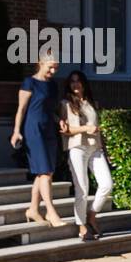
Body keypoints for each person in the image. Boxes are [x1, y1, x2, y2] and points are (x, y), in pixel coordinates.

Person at [10, 52, 65, 227]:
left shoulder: (54, 85)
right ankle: (51, 211)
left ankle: (33, 209)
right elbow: (21, 109)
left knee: (45, 172)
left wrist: (60, 120)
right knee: (45, 172)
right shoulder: (30, 83)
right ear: (40, 63)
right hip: (33, 130)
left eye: (56, 67)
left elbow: (52, 109)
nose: (53, 70)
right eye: (51, 67)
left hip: (49, 129)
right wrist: (16, 131)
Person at [60, 70, 114, 242]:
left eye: (78, 81)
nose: (76, 84)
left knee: (107, 184)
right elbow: (66, 130)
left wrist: (106, 151)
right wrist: (85, 129)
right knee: (82, 189)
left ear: (84, 84)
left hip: (95, 148)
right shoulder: (66, 104)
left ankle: (91, 214)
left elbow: (99, 129)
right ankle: (82, 226)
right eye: (72, 82)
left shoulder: (92, 103)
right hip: (77, 148)